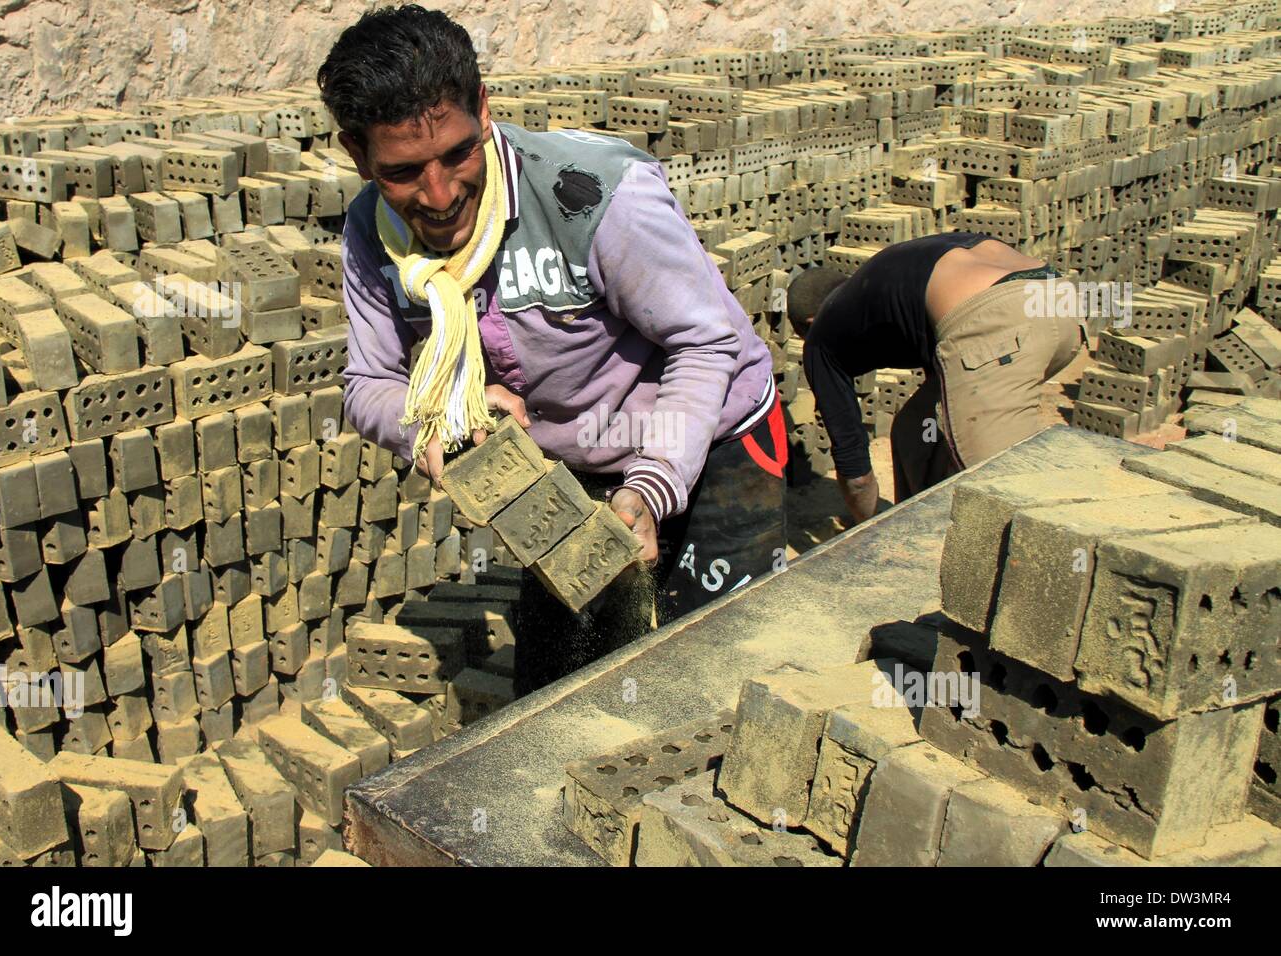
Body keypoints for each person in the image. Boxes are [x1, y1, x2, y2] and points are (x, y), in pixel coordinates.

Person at [319, 5, 785, 694]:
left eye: (457, 152)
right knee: (562, 692)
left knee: (719, 681)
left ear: (482, 108)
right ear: (358, 154)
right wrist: (445, 416)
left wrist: (652, 487)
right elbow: (368, 385)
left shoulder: (592, 194)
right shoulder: (370, 234)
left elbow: (705, 340)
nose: (441, 194)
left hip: (711, 438)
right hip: (570, 466)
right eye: (404, 172)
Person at [788, 233, 1086, 524]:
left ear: (809, 324)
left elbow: (857, 475)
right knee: (913, 431)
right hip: (1058, 299)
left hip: (1000, 320)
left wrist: (870, 539)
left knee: (998, 494)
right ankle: (923, 528)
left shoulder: (820, 339)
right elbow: (947, 375)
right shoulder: (885, 288)